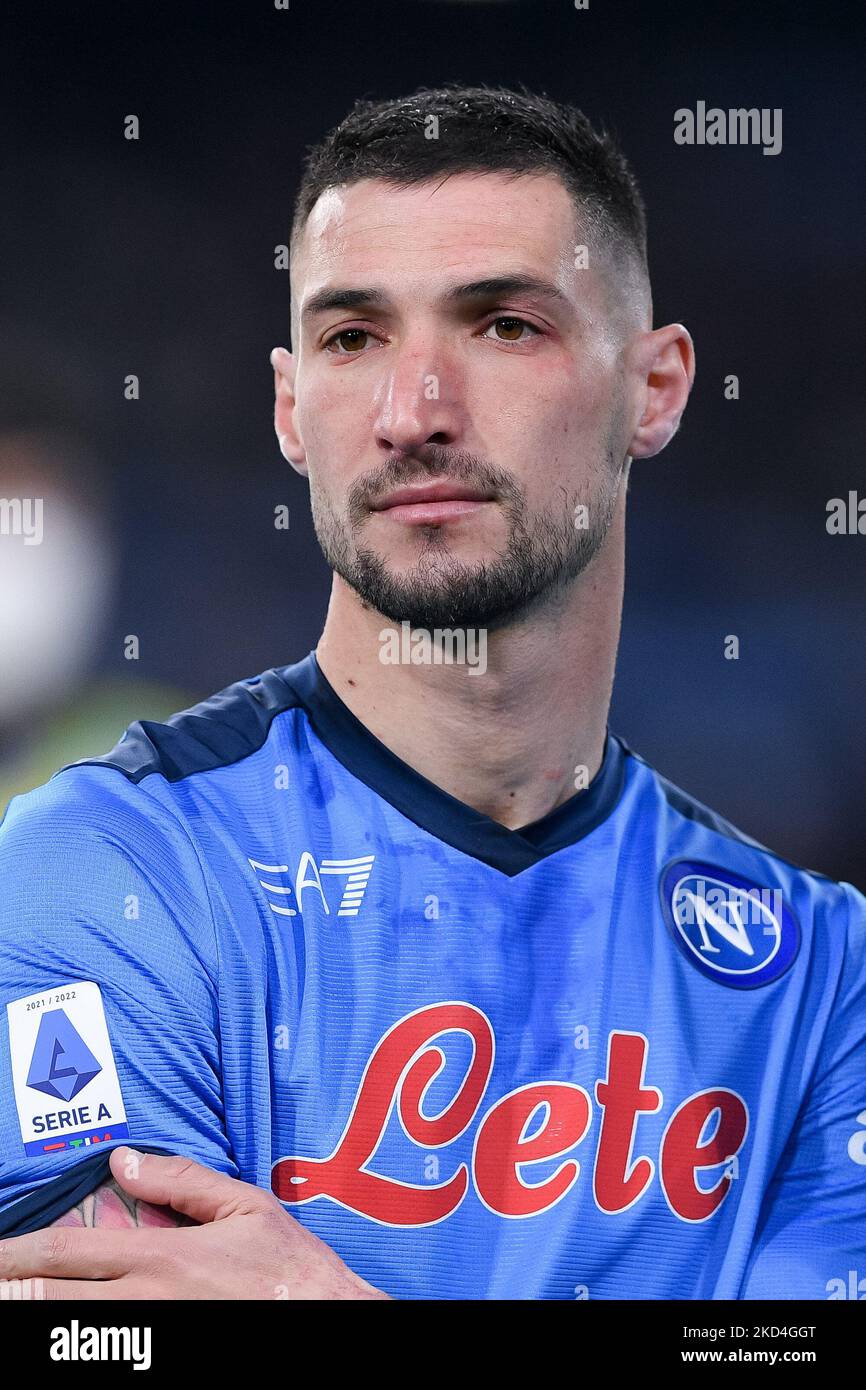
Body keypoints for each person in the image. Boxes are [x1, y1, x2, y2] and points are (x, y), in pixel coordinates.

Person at [0, 84, 863, 1301]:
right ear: (293, 409)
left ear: (653, 387)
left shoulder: (820, 974)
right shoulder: (103, 873)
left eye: (503, 326)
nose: (413, 413)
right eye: (354, 338)